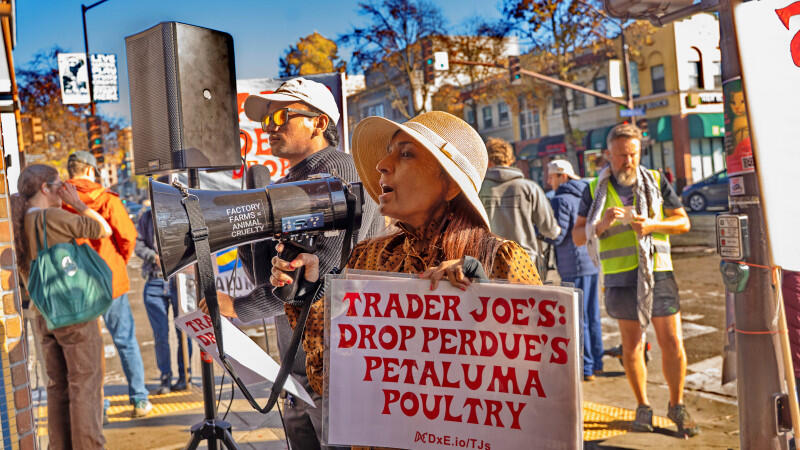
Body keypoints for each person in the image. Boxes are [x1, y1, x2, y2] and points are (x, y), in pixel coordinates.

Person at [269, 111, 543, 402]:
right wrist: (308, 292)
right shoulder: (366, 259)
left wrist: (488, 302)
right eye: (388, 154)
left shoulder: (502, 258)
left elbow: (541, 376)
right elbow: (329, 380)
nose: (381, 165)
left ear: (450, 185)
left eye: (407, 154)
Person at [206, 77, 384, 450]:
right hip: (300, 366)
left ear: (319, 123)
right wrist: (251, 220)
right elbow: (271, 276)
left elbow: (319, 277)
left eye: (282, 115)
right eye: (266, 120)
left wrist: (237, 307)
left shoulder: (339, 175)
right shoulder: (292, 182)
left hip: (336, 363)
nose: (270, 127)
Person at [572, 123, 699, 437]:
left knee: (672, 343)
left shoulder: (656, 180)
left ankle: (676, 404)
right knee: (632, 347)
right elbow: (577, 236)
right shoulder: (592, 189)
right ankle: (642, 406)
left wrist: (653, 225)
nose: (627, 161)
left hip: (658, 273)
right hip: (620, 278)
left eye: (633, 154)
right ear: (608, 155)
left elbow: (683, 222)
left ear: (640, 152)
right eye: (620, 156)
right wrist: (600, 225)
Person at [11, 164, 112, 449]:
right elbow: (102, 229)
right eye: (59, 185)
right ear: (45, 188)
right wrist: (77, 203)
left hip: (44, 314)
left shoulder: (22, 221)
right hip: (73, 312)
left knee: (58, 386)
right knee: (85, 384)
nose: (64, 189)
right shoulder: (52, 216)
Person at [63, 151, 153, 417]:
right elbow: (127, 236)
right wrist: (117, 261)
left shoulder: (60, 201)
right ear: (91, 170)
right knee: (125, 339)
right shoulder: (107, 199)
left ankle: (99, 406)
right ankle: (139, 400)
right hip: (110, 280)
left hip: (78, 284)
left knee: (89, 346)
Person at [545, 159, 602, 382]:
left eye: (552, 177)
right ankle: (597, 362)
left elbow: (559, 235)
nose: (549, 182)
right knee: (593, 315)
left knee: (579, 318)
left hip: (572, 264)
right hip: (592, 260)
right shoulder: (586, 195)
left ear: (564, 176)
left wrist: (542, 233)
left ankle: (586, 368)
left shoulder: (560, 200)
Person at [479, 137, 560, 277]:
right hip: (525, 264)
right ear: (511, 161)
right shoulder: (529, 188)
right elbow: (549, 230)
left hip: (487, 264)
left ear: (487, 162)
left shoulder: (477, 190)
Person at [136, 196, 192, 395]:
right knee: (160, 335)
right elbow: (139, 243)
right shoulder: (147, 218)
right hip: (154, 280)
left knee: (183, 331)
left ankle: (186, 375)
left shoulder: (182, 215)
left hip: (179, 279)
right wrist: (154, 257)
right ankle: (165, 377)